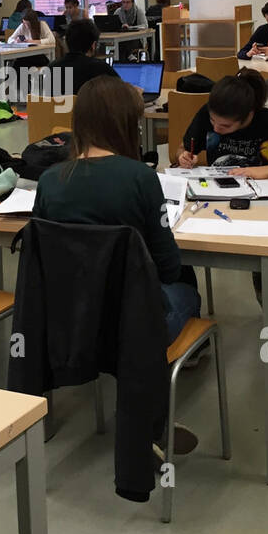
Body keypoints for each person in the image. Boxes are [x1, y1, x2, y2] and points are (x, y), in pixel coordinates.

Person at [34, 77, 199, 345]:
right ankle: (185, 355)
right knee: (188, 287)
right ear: (128, 124)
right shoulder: (140, 178)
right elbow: (168, 269)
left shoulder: (49, 180)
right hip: (134, 321)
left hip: (70, 318)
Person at [50, 18, 119, 95]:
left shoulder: (51, 68)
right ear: (93, 45)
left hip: (58, 107)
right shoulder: (102, 70)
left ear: (67, 43)